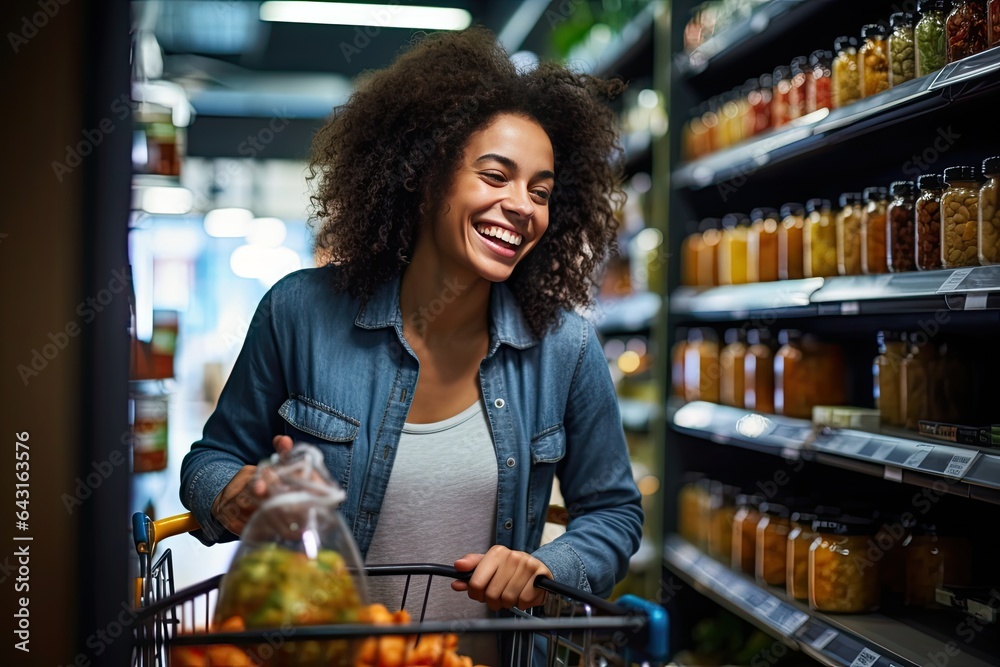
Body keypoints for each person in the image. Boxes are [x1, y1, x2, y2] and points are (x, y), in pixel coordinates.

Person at [180, 26, 644, 663]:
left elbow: (614, 512)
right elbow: (210, 460)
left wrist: (546, 565)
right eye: (495, 176)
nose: (521, 206)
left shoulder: (564, 347)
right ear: (425, 175)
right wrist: (230, 494)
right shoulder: (300, 311)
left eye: (540, 191)